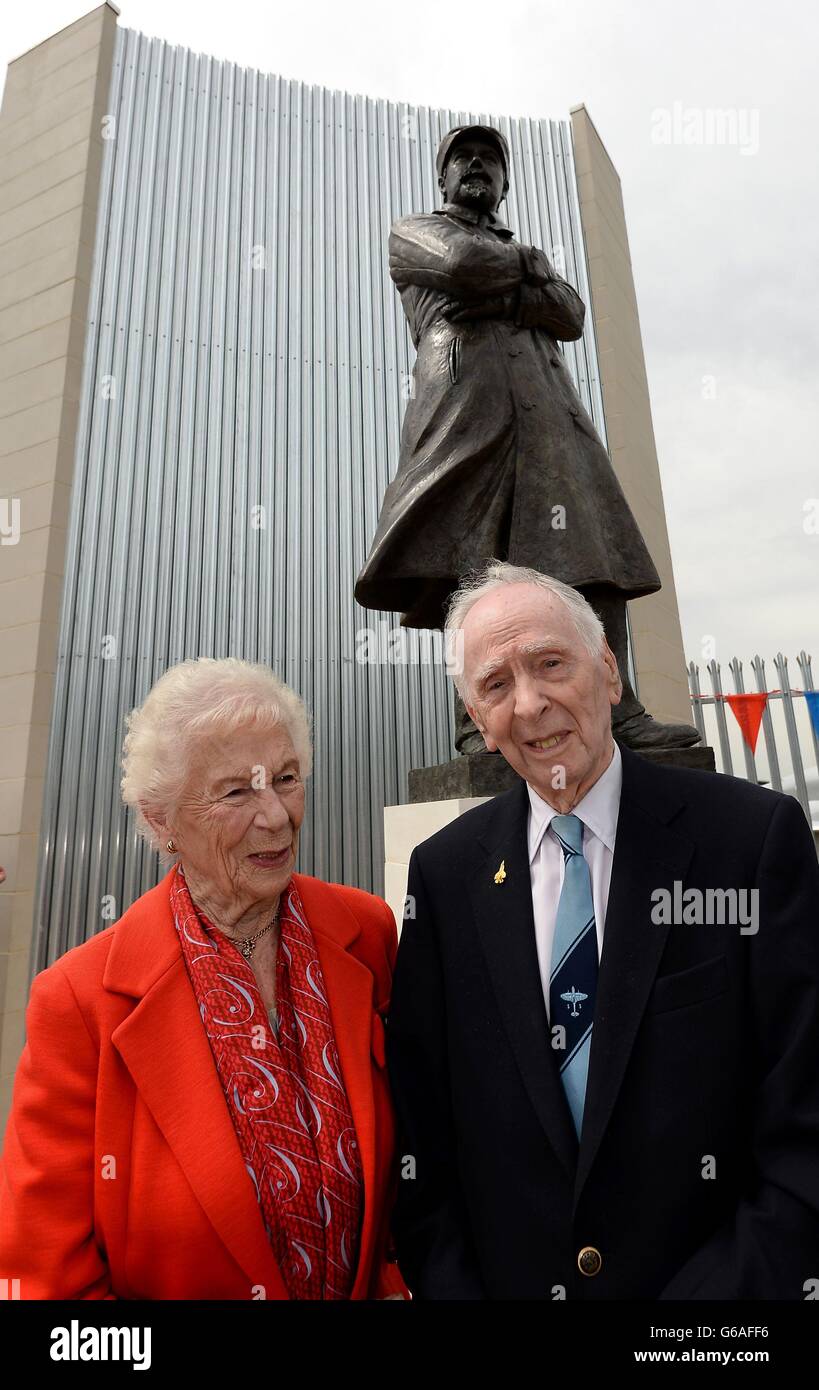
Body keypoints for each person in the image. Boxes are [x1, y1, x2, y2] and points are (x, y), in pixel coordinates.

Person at [386, 561, 819, 1299]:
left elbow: (804, 1126)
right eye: (494, 685)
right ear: (477, 722)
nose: (529, 704)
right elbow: (422, 1146)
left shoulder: (748, 841)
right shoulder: (445, 877)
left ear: (609, 674)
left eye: (550, 664)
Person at [0, 658, 407, 1301]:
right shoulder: (78, 1002)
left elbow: (409, 1177)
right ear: (162, 820)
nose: (275, 816)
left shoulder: (366, 933)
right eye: (236, 792)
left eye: (287, 778)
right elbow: (46, 1279)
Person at [355, 124, 699, 752]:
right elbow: (459, 264)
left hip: (547, 414)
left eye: (490, 160)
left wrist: (500, 291)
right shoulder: (414, 231)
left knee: (595, 557)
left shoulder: (506, 251)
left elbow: (568, 312)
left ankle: (618, 710)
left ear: (506, 181)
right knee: (474, 562)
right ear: (445, 176)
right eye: (465, 158)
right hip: (466, 406)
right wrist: (527, 272)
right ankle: (476, 718)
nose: (478, 166)